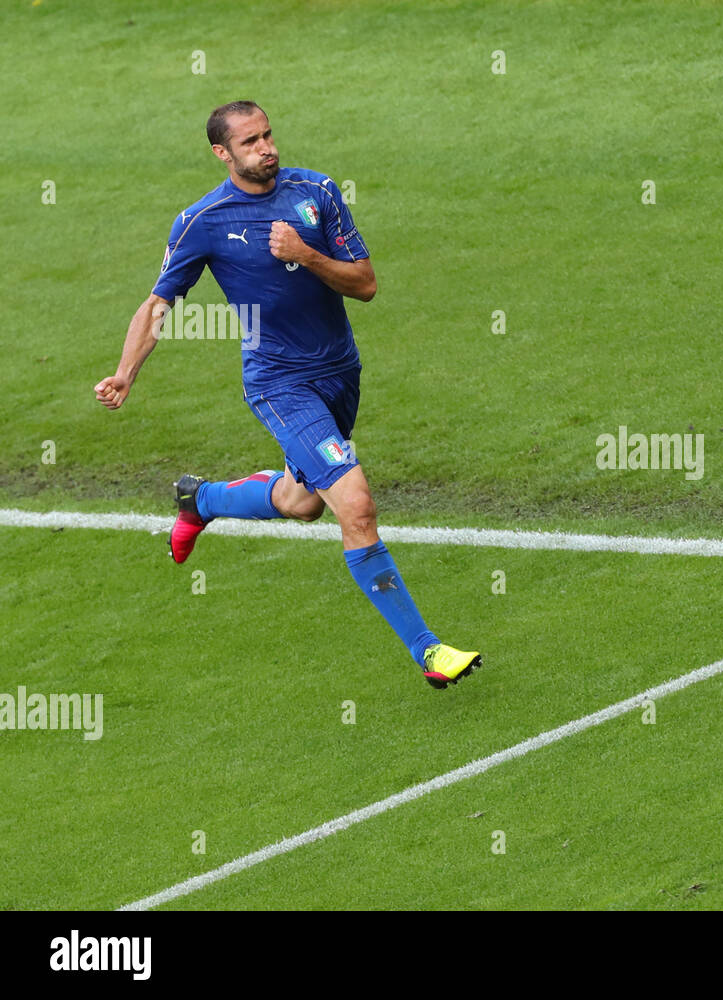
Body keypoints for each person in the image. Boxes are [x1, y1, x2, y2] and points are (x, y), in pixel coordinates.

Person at [93, 100, 480, 690]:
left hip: (339, 372)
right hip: (278, 382)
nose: (266, 148)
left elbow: (367, 284)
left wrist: (306, 255)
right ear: (222, 153)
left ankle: (202, 501)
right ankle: (428, 650)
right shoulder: (205, 220)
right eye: (249, 142)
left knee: (303, 502)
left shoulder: (318, 192)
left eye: (268, 135)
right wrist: (126, 372)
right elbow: (158, 304)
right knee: (356, 506)